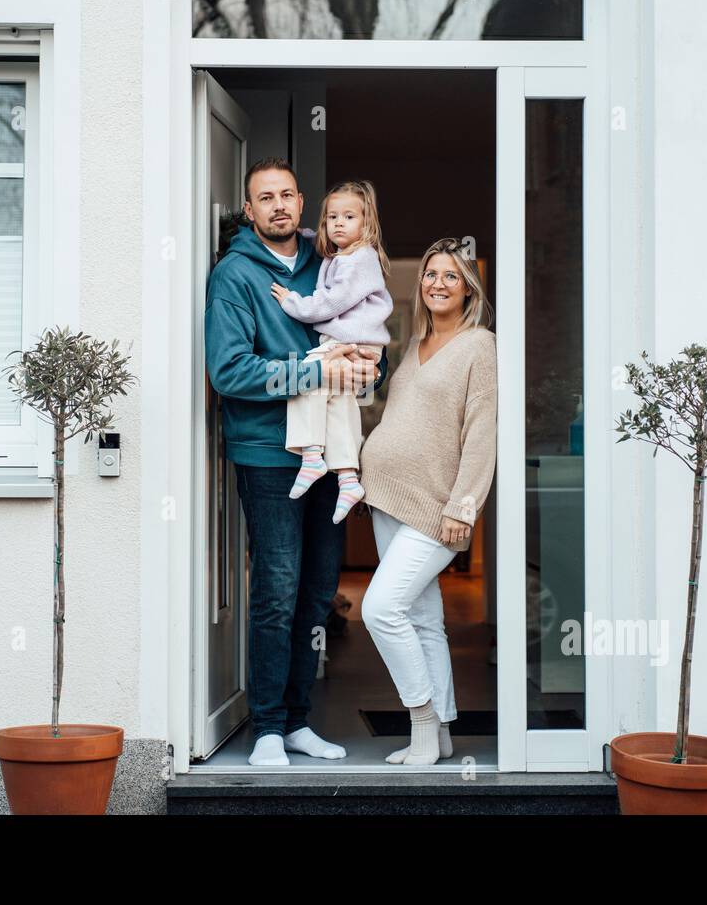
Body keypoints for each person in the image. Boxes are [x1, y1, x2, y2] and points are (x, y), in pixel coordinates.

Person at [204, 157, 388, 766]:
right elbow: (228, 371)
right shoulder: (234, 276)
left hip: (331, 455)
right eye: (265, 197)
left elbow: (361, 341)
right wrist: (313, 369)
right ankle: (266, 728)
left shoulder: (329, 262)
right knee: (278, 593)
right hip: (269, 453)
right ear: (250, 209)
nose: (278, 205)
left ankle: (299, 720)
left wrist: (368, 366)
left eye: (287, 195)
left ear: (302, 202)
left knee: (316, 595)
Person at [357, 237, 498, 765]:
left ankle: (419, 721)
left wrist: (464, 505)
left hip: (436, 507)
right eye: (431, 274)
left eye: (451, 276)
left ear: (469, 290)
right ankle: (439, 735)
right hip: (388, 497)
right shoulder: (414, 345)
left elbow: (482, 432)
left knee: (380, 609)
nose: (438, 283)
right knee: (422, 620)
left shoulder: (479, 346)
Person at [269, 179, 394, 523]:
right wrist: (307, 235)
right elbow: (319, 244)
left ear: (366, 224)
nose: (338, 223)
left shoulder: (357, 260)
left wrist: (293, 303)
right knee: (339, 405)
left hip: (349, 343)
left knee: (305, 383)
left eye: (349, 217)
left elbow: (332, 302)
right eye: (332, 218)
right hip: (354, 342)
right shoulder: (344, 255)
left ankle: (311, 454)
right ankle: (349, 477)